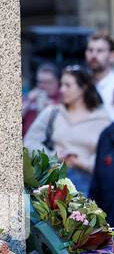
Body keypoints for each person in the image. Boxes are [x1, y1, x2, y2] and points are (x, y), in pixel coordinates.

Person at [24, 64, 109, 195]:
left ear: (83, 88)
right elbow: (29, 142)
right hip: (51, 182)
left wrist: (83, 163)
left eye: (68, 85)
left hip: (88, 186)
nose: (62, 90)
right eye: (62, 84)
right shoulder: (53, 112)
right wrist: (53, 155)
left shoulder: (102, 119)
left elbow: (108, 157)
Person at [21, 61, 60, 136]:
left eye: (48, 82)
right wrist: (28, 102)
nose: (43, 86)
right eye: (40, 82)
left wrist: (52, 108)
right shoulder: (30, 97)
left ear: (57, 82)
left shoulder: (63, 97)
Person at [85, 30, 114, 116]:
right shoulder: (81, 84)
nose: (93, 55)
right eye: (90, 50)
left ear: (112, 56)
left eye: (100, 51)